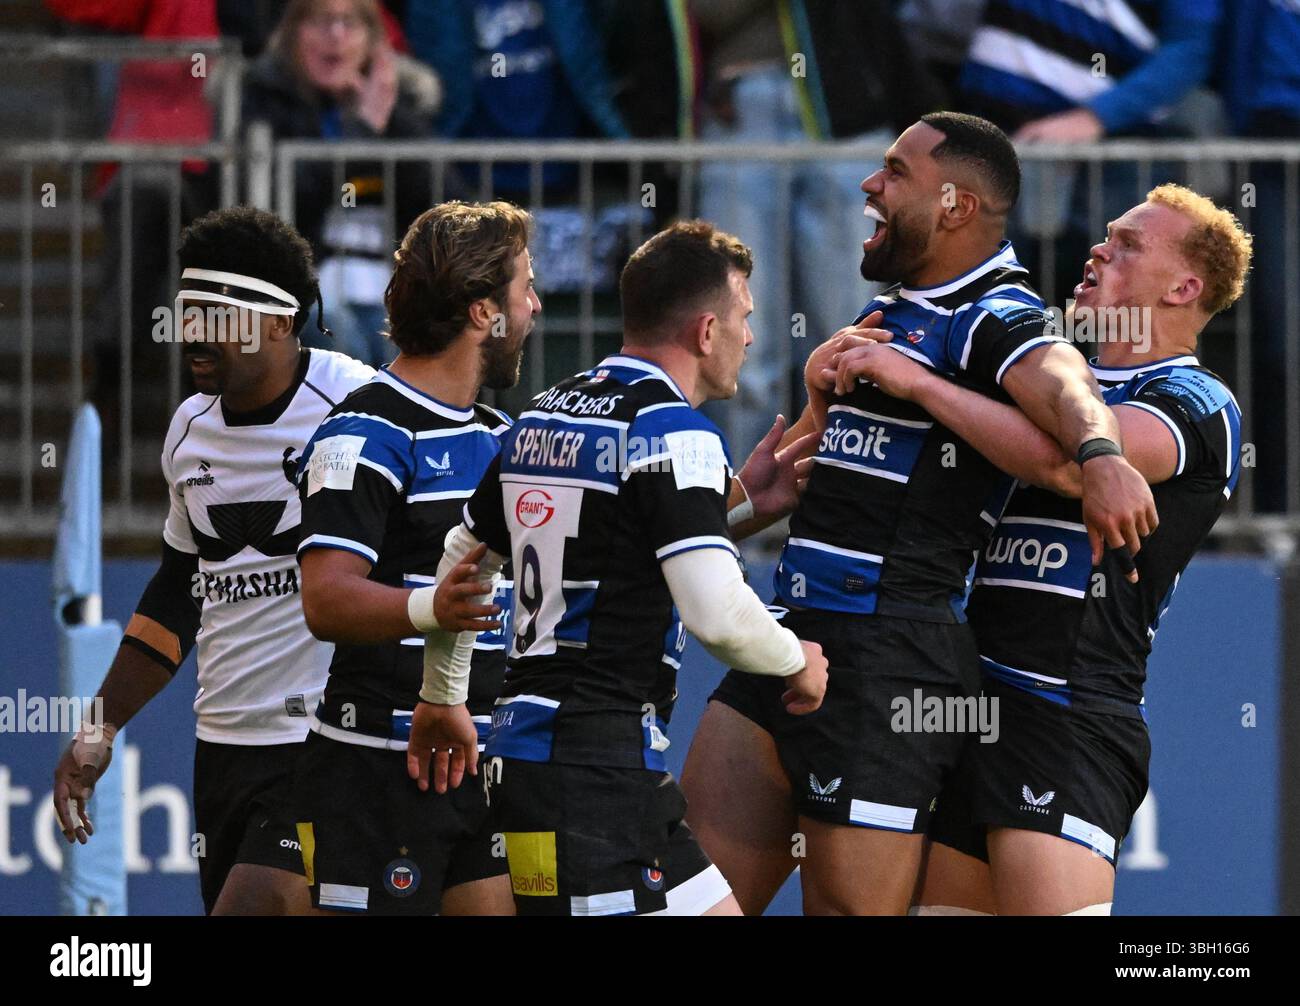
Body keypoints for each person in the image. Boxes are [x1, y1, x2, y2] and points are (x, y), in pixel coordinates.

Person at [681, 111, 1159, 916]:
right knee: (689, 903)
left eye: (896, 172)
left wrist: (1102, 457)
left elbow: (1067, 389)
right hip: (789, 631)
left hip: (887, 662)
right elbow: (783, 480)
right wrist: (790, 439)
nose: (870, 184)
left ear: (955, 206)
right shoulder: (888, 318)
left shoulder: (996, 313)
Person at [829, 185, 1251, 915]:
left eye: (1127, 245)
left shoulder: (1195, 399)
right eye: (1106, 235)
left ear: (1184, 287)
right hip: (968, 704)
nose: (1098, 249)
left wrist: (924, 386)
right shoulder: (1046, 378)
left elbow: (1079, 459)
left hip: (1067, 709)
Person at [409, 220, 829, 916]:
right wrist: (796, 661)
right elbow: (718, 616)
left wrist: (443, 692)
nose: (749, 338)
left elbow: (464, 557)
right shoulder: (675, 431)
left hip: (544, 756)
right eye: (744, 318)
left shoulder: (544, 415)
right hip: (592, 769)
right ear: (704, 330)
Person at [51, 206, 374, 915]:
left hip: (327, 740)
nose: (193, 332)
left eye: (217, 314)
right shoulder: (189, 432)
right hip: (223, 747)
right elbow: (177, 592)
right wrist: (98, 727)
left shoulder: (355, 405)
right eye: (189, 312)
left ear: (281, 324)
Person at [290, 200, 536, 915]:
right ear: (484, 311)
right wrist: (433, 607)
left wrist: (745, 505)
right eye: (525, 289)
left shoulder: (501, 433)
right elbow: (326, 598)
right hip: (377, 773)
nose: (536, 306)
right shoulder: (364, 431)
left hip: (482, 766)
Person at [243, 0, 441, 367]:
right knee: (337, 330)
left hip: (390, 287)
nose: (335, 36)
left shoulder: (401, 106)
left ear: (373, 43)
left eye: (349, 23)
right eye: (319, 22)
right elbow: (275, 205)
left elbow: (440, 201)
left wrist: (393, 119)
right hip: (305, 289)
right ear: (291, 34)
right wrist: (361, 132)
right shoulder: (266, 99)